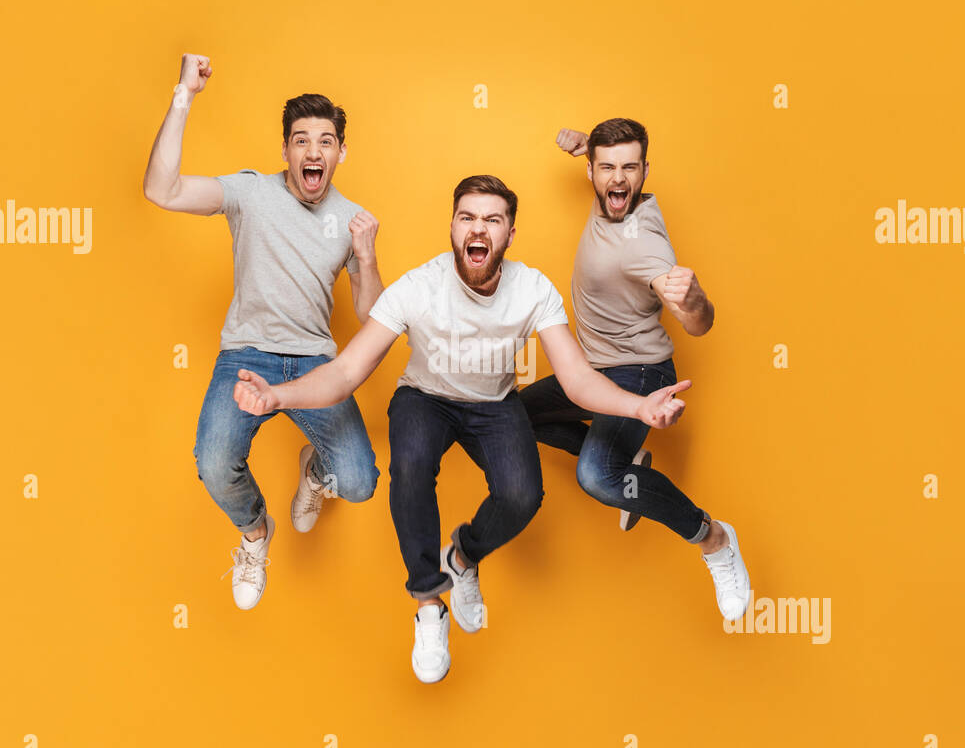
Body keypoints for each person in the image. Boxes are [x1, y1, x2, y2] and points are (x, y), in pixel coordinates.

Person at [233, 175, 691, 683]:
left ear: (510, 235)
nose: (479, 229)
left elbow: (579, 380)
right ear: (452, 227)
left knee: (523, 496)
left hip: (494, 405)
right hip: (424, 400)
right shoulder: (418, 288)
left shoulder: (533, 288)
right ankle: (429, 606)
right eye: (467, 218)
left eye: (492, 220)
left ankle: (464, 556)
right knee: (409, 468)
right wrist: (278, 396)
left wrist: (638, 408)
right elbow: (344, 373)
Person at [143, 53, 383, 611]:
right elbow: (163, 189)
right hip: (246, 355)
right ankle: (255, 533)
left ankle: (313, 469)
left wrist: (367, 259)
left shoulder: (352, 220)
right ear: (286, 151)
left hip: (317, 364)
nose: (313, 152)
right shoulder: (250, 193)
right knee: (213, 463)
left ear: (340, 152)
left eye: (325, 141)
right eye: (301, 140)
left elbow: (373, 319)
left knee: (360, 482)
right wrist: (184, 93)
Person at [519, 119, 751, 621]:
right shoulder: (623, 195)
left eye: (629, 168)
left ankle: (713, 538)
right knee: (512, 415)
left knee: (597, 476)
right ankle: (632, 470)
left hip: (639, 373)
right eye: (608, 168)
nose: (618, 179)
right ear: (592, 171)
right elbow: (609, 167)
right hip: (591, 369)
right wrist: (586, 144)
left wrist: (693, 303)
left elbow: (700, 324)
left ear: (646, 171)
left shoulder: (644, 243)